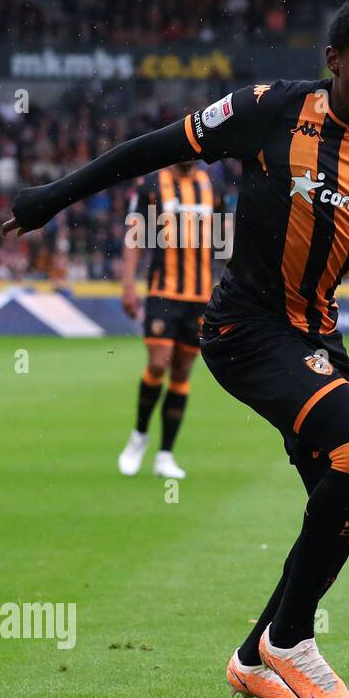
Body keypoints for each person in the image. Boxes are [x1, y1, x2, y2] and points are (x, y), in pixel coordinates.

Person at [1, 0, 349, 698]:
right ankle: (292, 638)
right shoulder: (271, 109)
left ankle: (249, 660)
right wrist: (53, 197)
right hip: (244, 329)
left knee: (343, 514)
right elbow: (153, 147)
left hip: (318, 336)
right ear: (333, 60)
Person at [117, 160, 222, 479]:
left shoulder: (209, 184)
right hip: (164, 292)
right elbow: (135, 235)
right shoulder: (151, 184)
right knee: (158, 363)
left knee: (182, 371)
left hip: (200, 296)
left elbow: (222, 236)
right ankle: (139, 435)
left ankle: (165, 454)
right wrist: (128, 285)